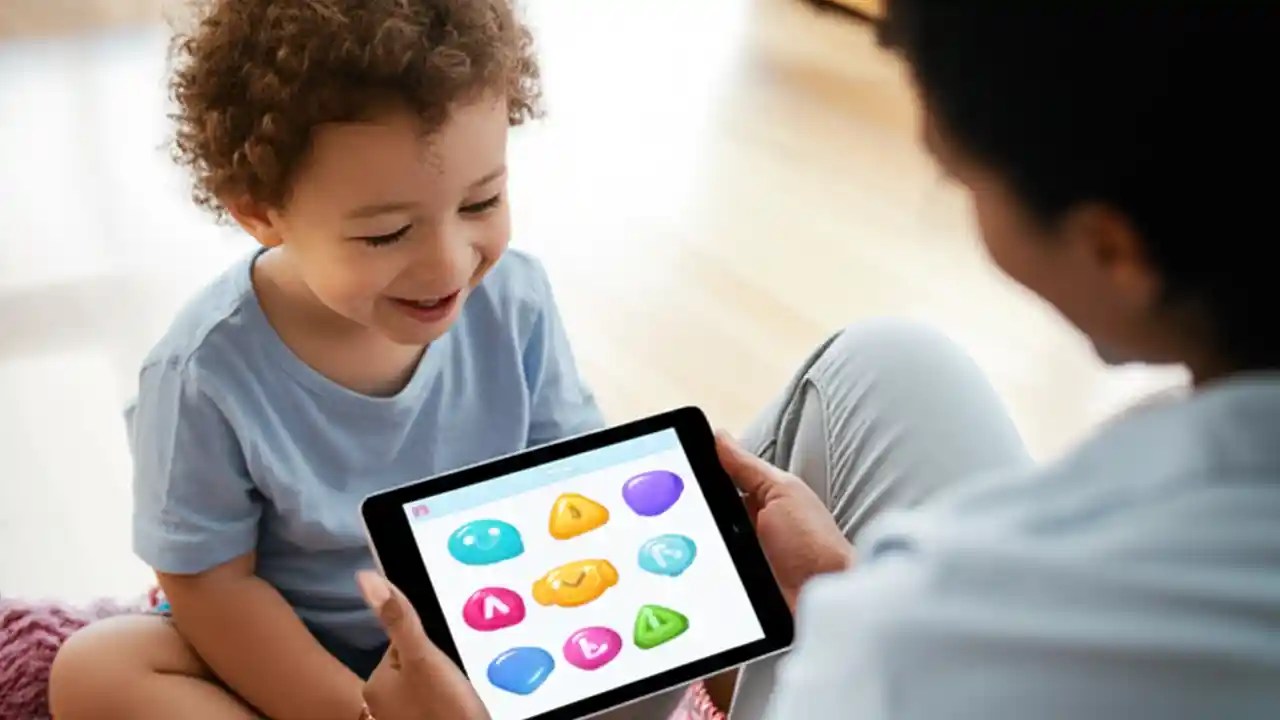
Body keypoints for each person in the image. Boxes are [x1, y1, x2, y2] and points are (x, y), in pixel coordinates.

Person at [348, 2, 1280, 719]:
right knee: (887, 364)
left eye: (960, 184)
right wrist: (843, 593)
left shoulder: (929, 642)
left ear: (1114, 249)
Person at [48, 1, 607, 718]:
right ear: (260, 211)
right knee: (99, 669)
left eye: (481, 203)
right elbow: (210, 589)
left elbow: (571, 471)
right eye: (387, 233)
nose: (447, 263)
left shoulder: (516, 299)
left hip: (481, 630)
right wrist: (357, 712)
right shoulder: (203, 373)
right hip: (291, 653)